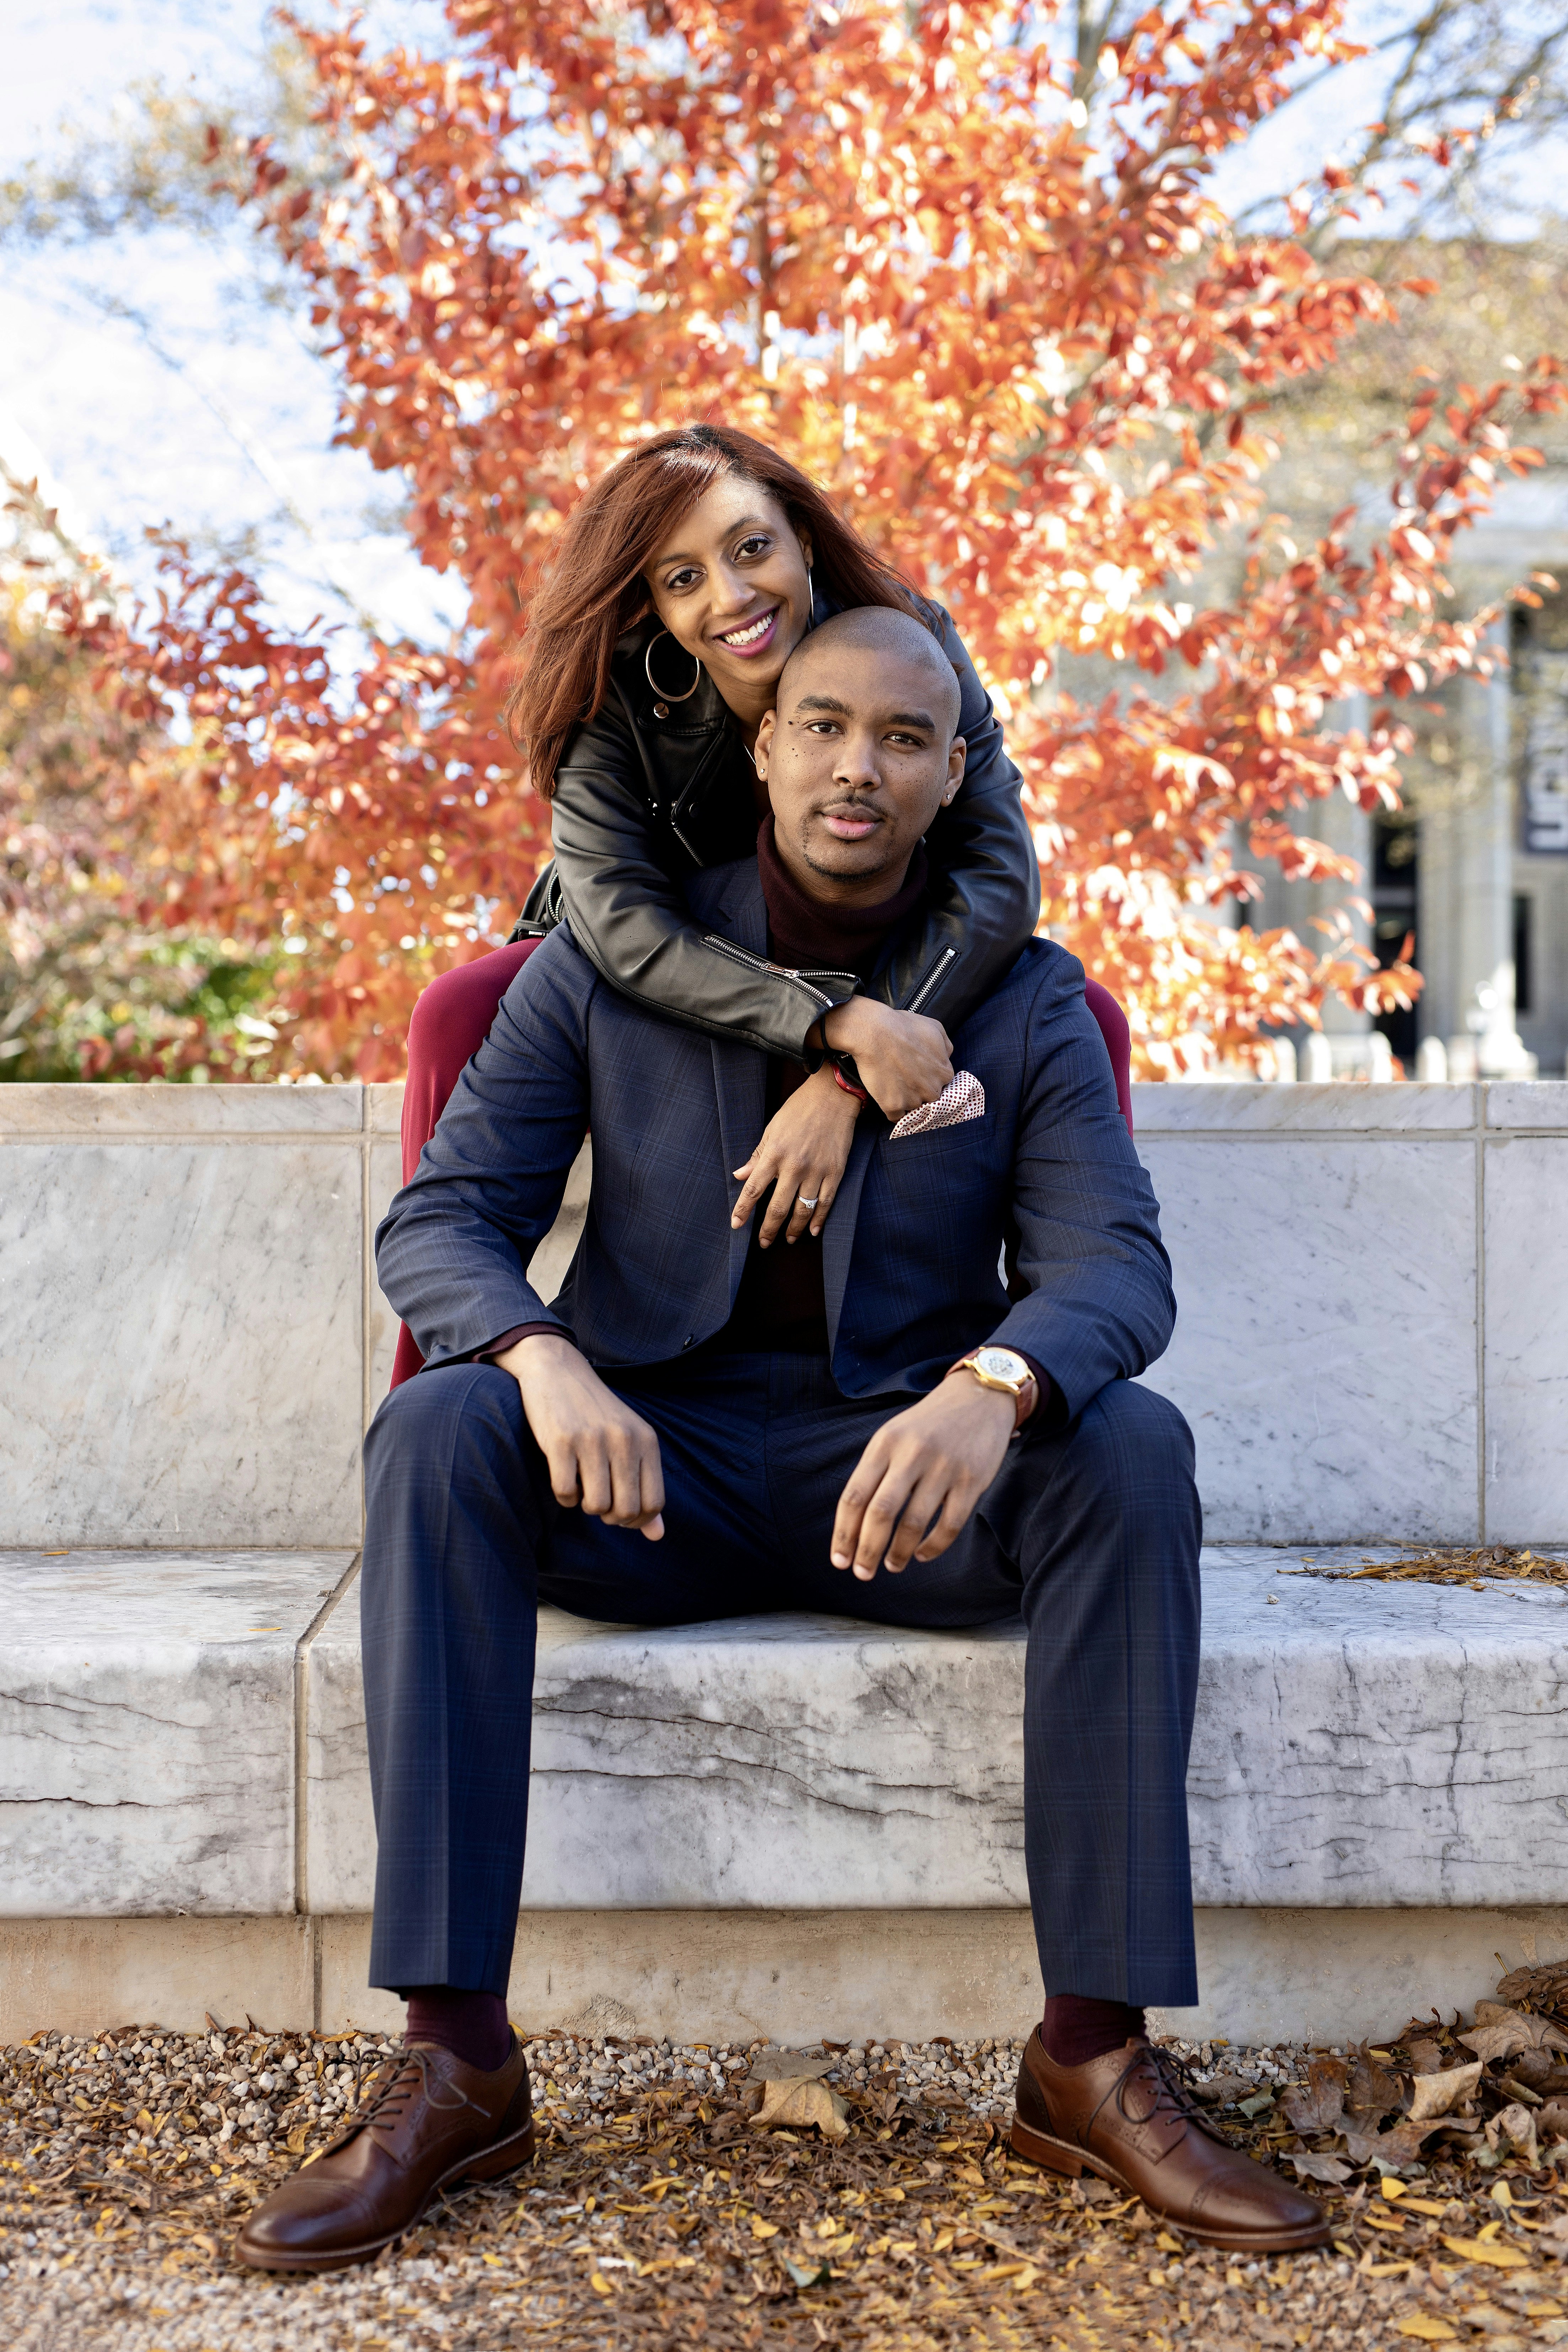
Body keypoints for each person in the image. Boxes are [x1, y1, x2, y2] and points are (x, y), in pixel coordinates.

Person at [237, 609, 1328, 2273]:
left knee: (1133, 1447)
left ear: (951, 771)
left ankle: (1087, 2057)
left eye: (901, 736)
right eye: (820, 725)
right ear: (761, 744)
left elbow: (1114, 1264)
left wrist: (993, 1385)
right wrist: (541, 1357)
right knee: (438, 1421)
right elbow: (443, 1222)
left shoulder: (1024, 1000)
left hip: (893, 1481)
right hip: (643, 1466)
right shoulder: (614, 965)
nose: (854, 765)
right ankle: (454, 2060)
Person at [389, 423, 1041, 1386]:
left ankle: (1040, 1373)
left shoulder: (912, 639)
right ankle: (434, 1384)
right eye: (681, 577)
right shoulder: (612, 691)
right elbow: (624, 928)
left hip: (873, 937)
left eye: (750, 549)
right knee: (455, 1011)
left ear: (801, 540)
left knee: (1087, 1012)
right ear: (649, 599)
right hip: (676, 949)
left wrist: (846, 1079)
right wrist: (833, 1026)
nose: (731, 598)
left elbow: (997, 876)